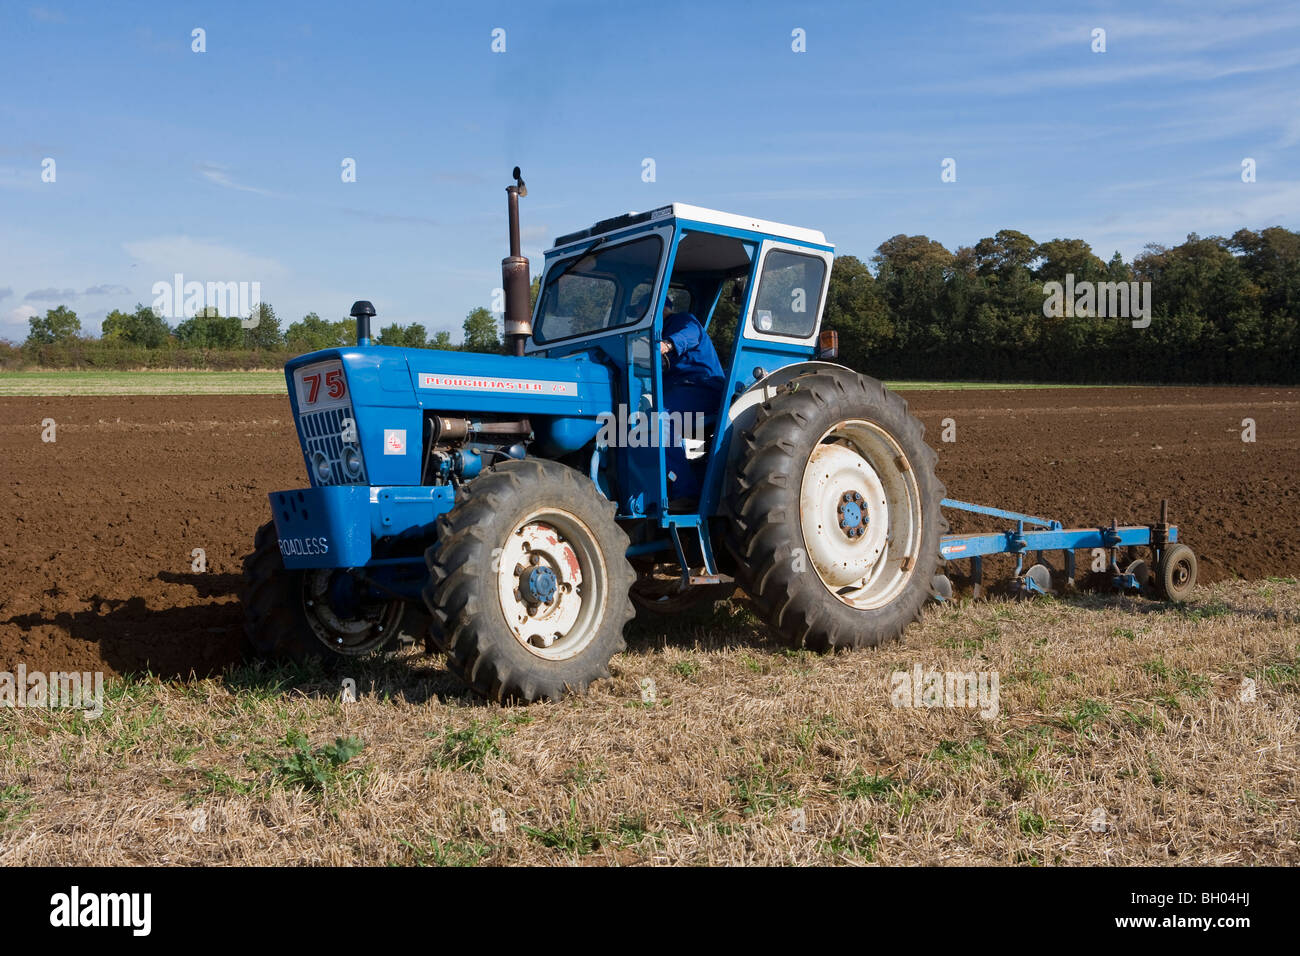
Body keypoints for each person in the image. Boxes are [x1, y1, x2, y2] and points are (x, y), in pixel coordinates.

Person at [659, 295, 725, 507]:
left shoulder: (682, 321)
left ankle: (686, 493)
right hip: (675, 391)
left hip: (701, 386)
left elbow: (691, 333)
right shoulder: (654, 333)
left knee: (660, 421)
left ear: (661, 308)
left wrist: (668, 344)